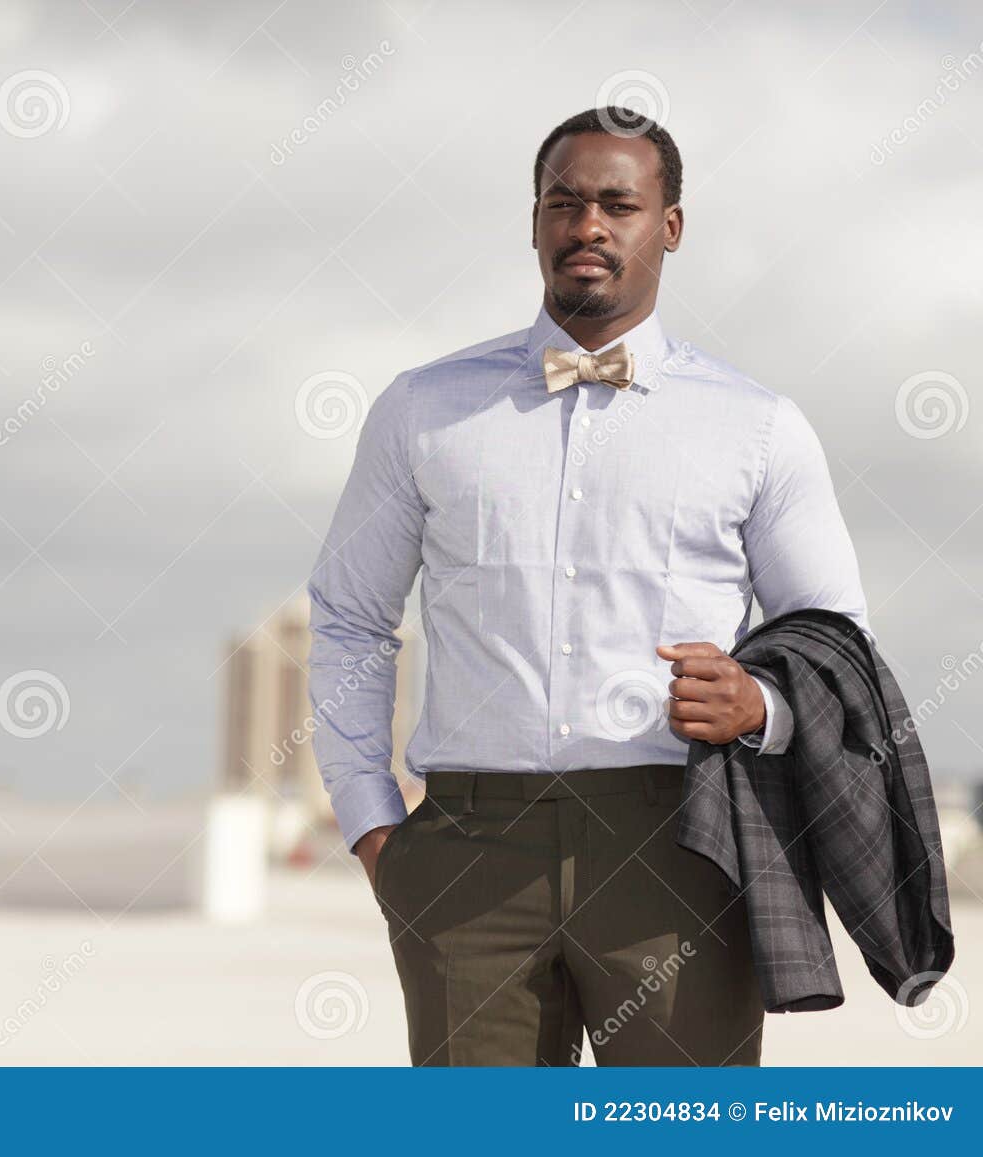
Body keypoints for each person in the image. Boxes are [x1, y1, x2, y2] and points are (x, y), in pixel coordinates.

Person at [305, 106, 874, 1066]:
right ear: (534, 222)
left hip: (683, 846)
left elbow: (838, 644)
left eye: (619, 203)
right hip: (465, 853)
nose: (589, 226)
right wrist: (375, 827)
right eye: (564, 202)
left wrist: (758, 702)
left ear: (670, 226)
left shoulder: (759, 427)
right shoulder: (422, 409)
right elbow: (352, 620)